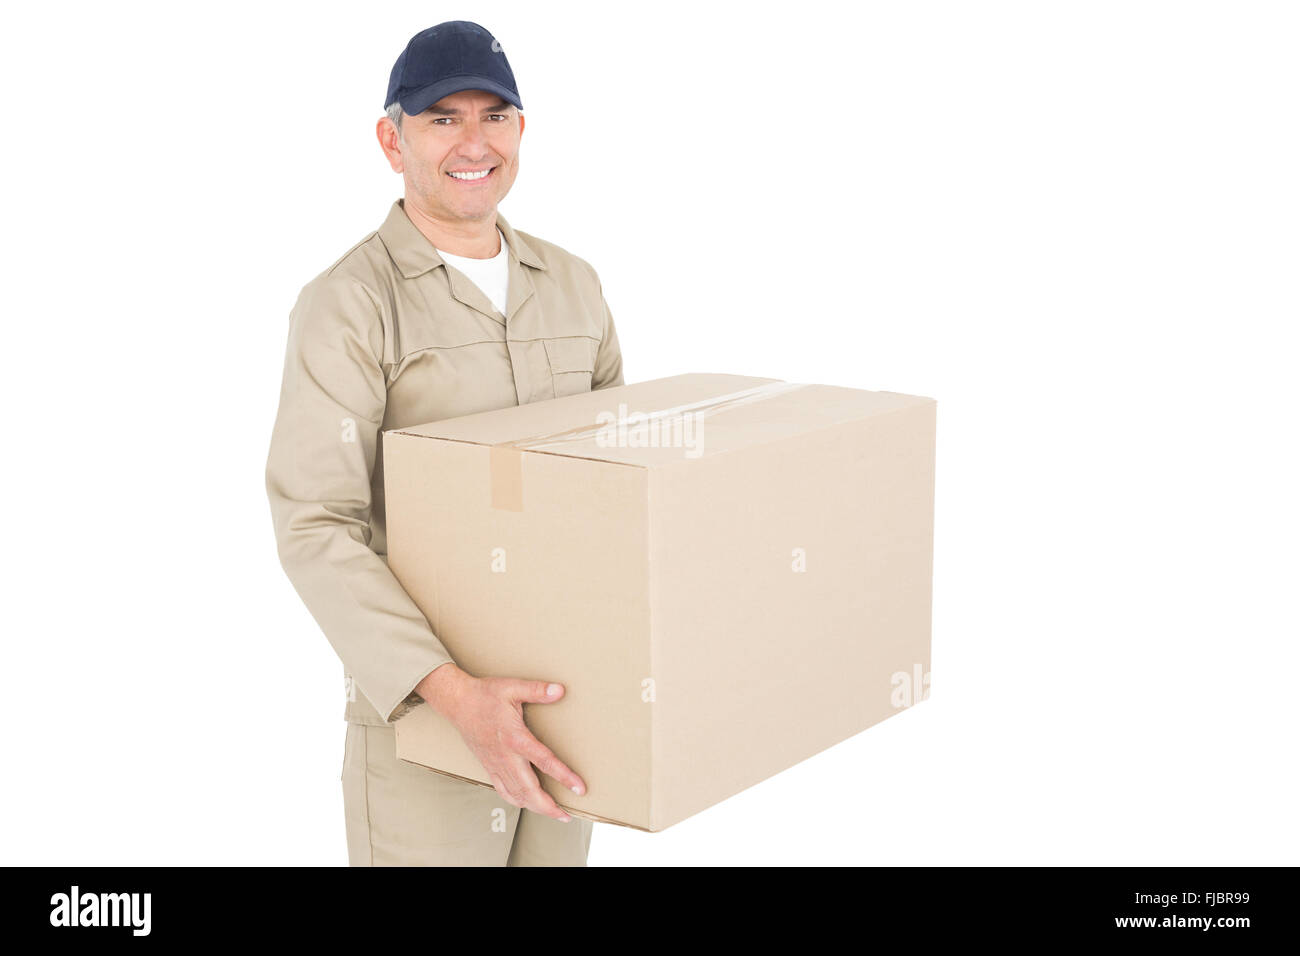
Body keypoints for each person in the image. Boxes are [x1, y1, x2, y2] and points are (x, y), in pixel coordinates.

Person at [264, 20, 625, 866]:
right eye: (442, 118)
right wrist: (454, 695)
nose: (474, 141)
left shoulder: (575, 285)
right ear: (393, 140)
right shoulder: (348, 304)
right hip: (425, 712)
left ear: (521, 132)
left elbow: (618, 485)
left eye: (494, 116)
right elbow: (315, 523)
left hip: (570, 698)